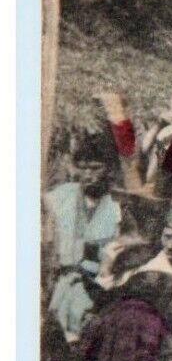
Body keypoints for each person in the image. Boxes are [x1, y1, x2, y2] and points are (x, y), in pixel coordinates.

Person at [44, 136, 122, 342]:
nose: (88, 175)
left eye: (96, 168)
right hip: (60, 283)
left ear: (109, 169)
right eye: (83, 168)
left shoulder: (117, 204)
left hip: (98, 286)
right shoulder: (60, 197)